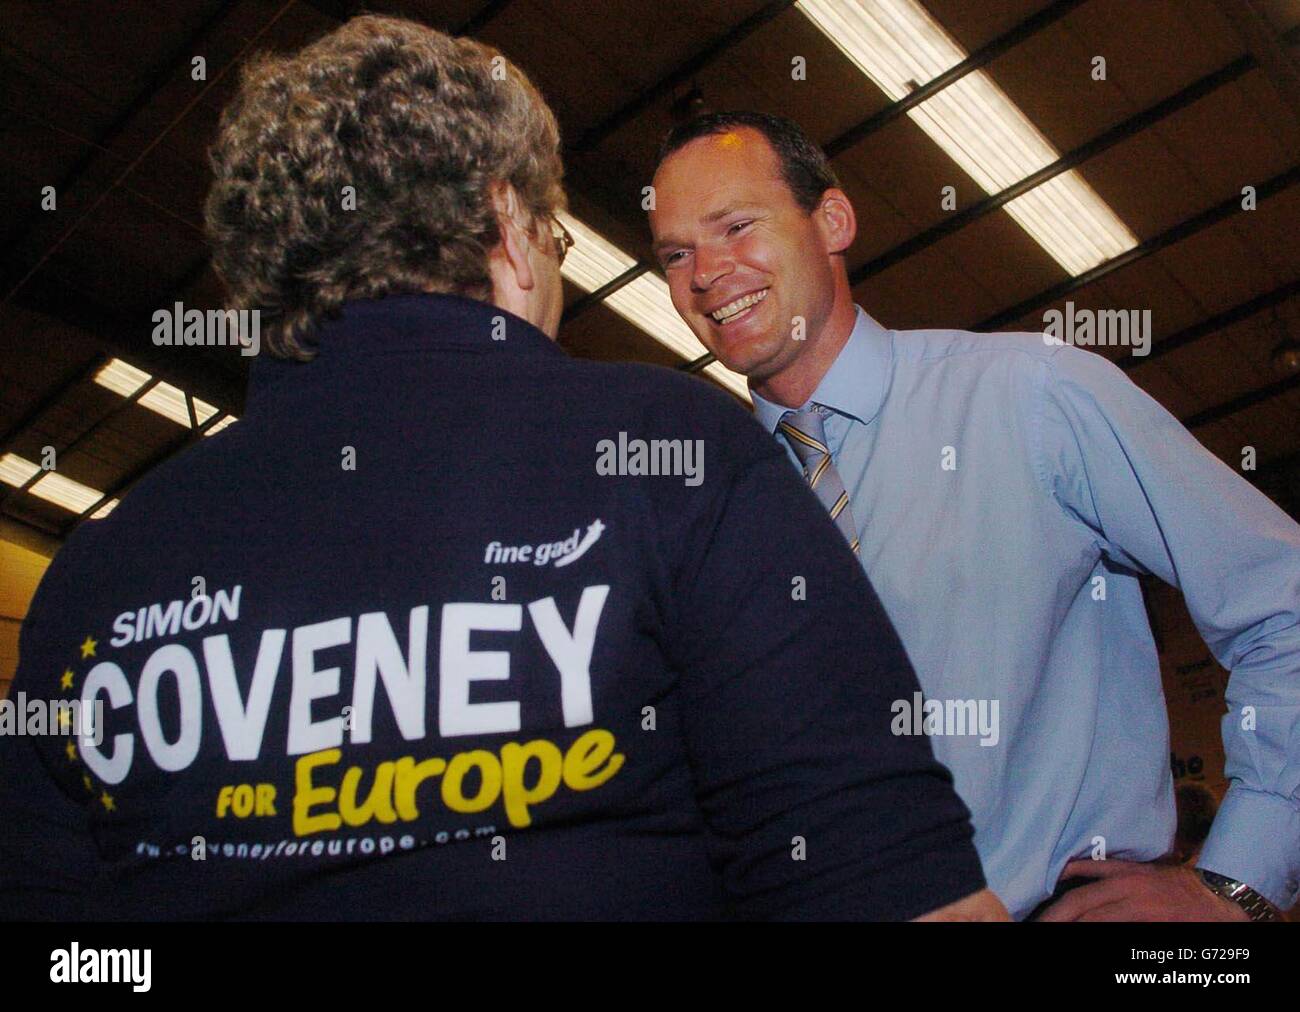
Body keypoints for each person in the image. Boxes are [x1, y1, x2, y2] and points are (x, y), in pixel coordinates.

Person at [0, 17, 1004, 921]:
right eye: (556, 235)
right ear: (508, 227)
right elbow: (890, 884)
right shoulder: (670, 453)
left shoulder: (95, 575)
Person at [648, 110, 1300, 922]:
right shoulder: (706, 506)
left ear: (834, 220)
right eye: (676, 255)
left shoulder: (1033, 397)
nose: (706, 272)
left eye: (736, 226)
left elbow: (1285, 601)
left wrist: (1235, 884)